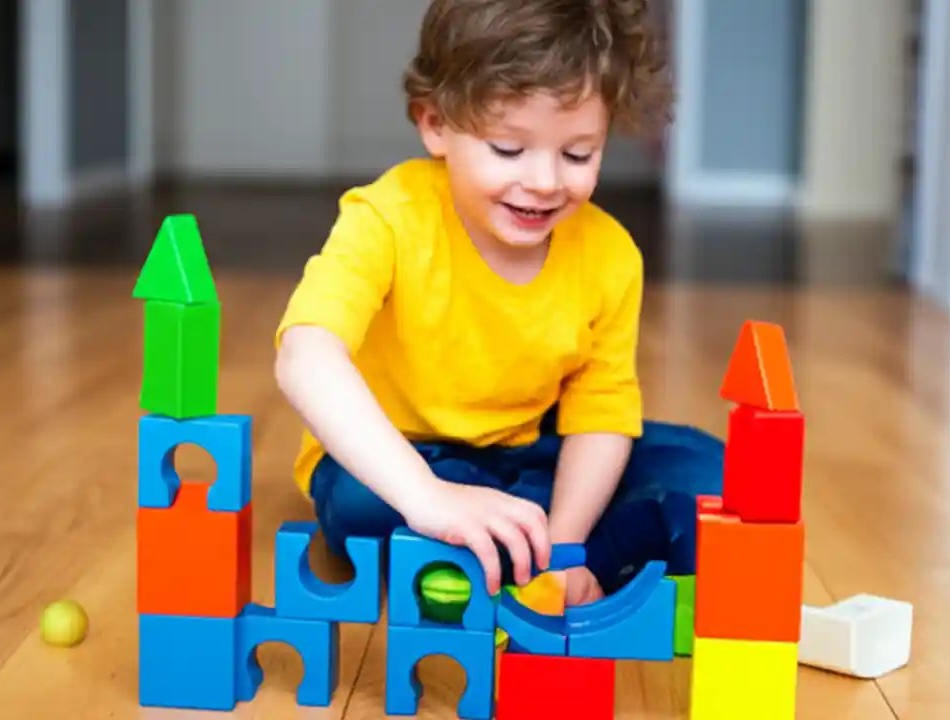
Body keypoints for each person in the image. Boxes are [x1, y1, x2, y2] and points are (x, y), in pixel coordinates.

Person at [274, 0, 723, 608]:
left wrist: (563, 550)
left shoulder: (611, 255)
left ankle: (535, 559)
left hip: (535, 453)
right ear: (435, 124)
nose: (543, 181)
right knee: (363, 502)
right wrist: (428, 497)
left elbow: (601, 415)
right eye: (509, 150)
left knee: (712, 478)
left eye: (577, 154)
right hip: (406, 456)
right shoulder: (387, 216)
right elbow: (307, 356)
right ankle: (497, 544)